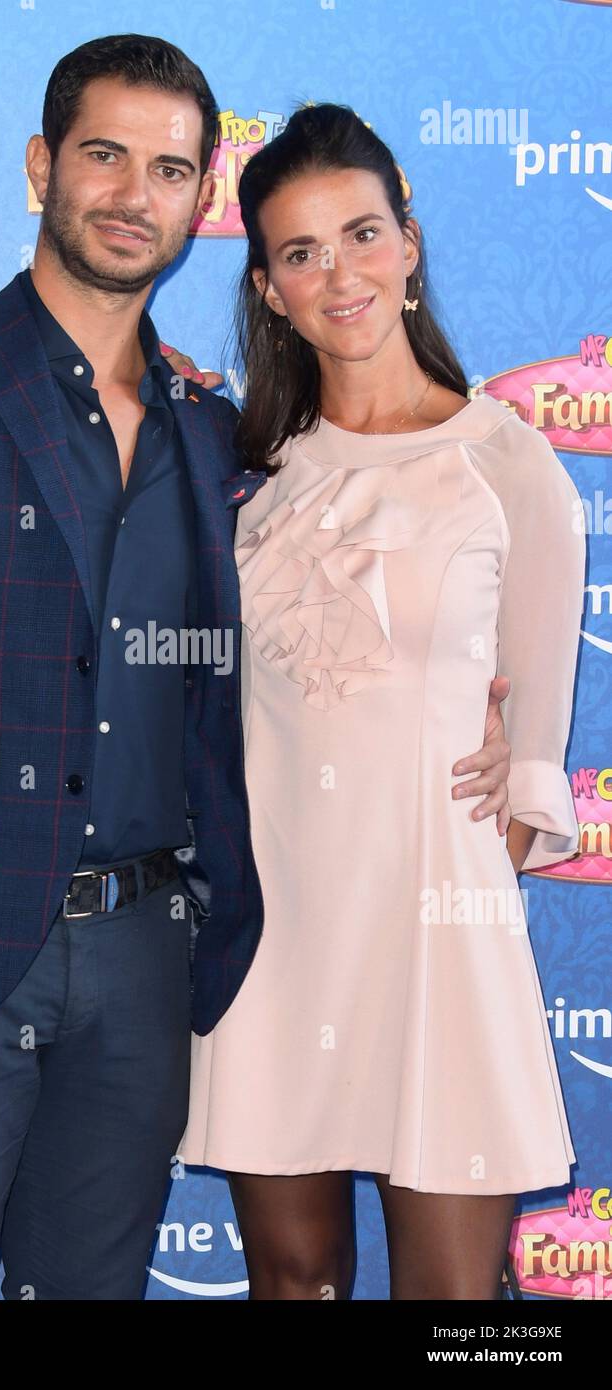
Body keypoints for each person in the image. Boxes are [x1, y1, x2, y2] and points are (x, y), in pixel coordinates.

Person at [0, 42, 511, 1301]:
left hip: (146, 974)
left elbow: (273, 669)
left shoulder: (215, 434)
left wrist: (480, 715)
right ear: (39, 165)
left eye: (169, 168)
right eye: (103, 154)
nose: (132, 193)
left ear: (198, 201)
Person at [175, 102, 585, 1301]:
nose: (335, 274)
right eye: (299, 253)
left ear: (406, 243)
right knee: (290, 1282)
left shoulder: (510, 465)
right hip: (270, 925)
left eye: (359, 235)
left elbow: (531, 763)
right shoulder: (240, 464)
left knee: (455, 1309)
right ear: (267, 287)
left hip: (431, 931)